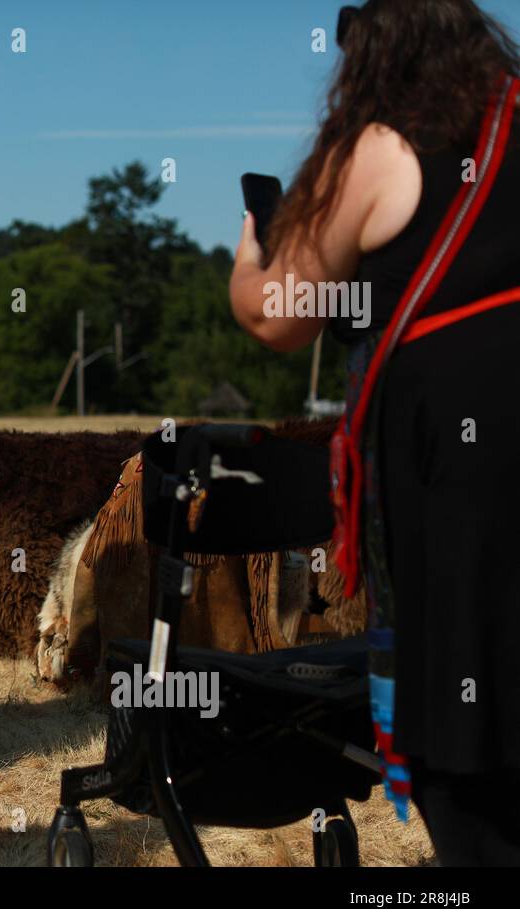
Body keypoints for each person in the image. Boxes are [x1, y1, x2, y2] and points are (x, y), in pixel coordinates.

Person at [230, 0, 520, 864]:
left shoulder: (382, 144)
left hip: (457, 464)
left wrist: (254, 245)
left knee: (464, 728)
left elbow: (280, 313)